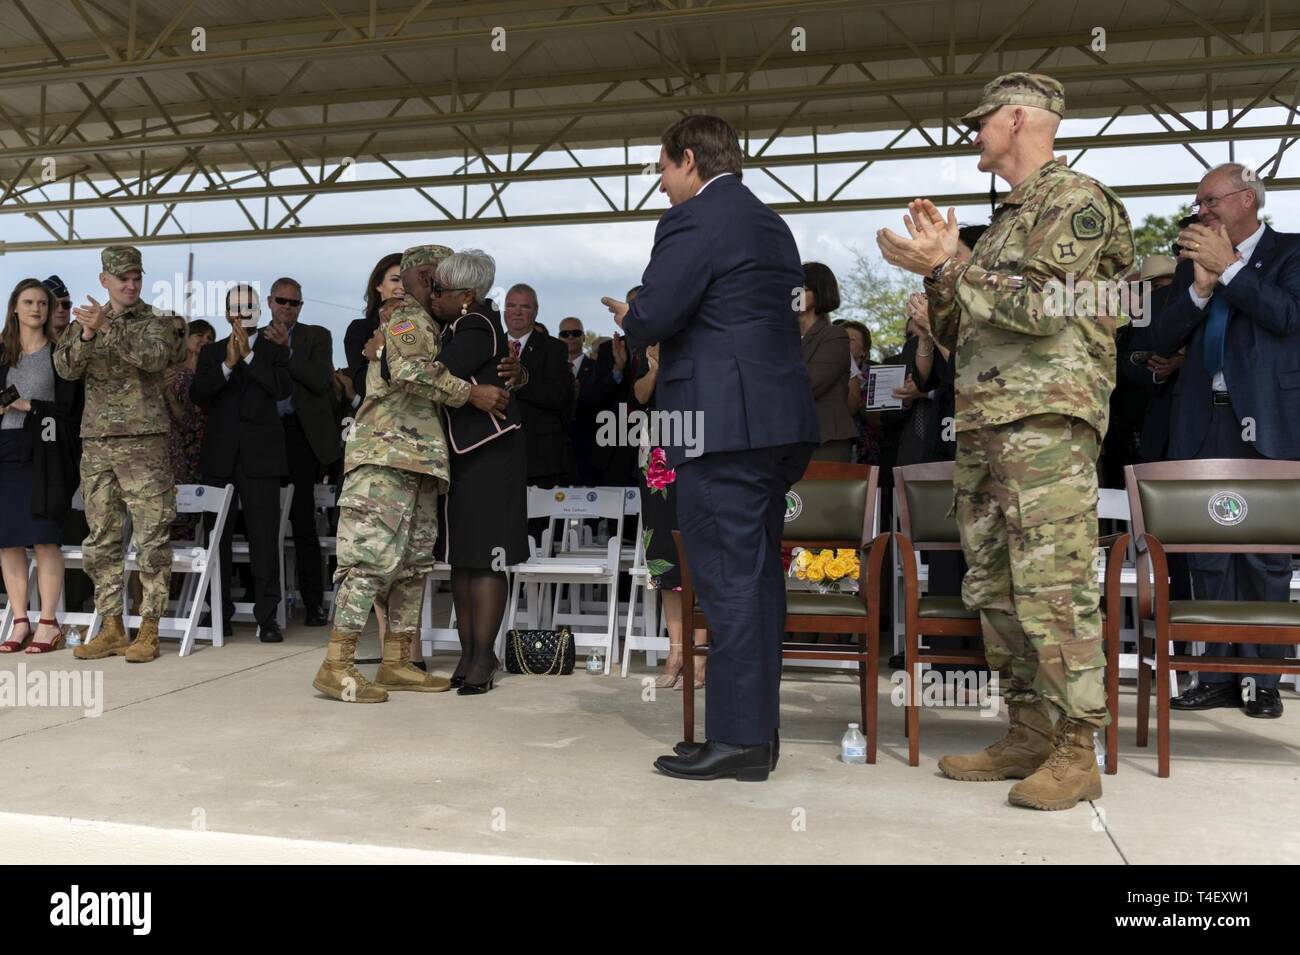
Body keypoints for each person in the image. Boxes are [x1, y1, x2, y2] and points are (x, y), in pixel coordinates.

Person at [878, 72, 1134, 810]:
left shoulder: (1077, 201)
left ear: (1019, 117)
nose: (974, 132)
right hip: (989, 425)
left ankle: (1078, 747)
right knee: (994, 585)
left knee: (1053, 589)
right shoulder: (1005, 221)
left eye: (982, 120)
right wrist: (937, 281)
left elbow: (1044, 306)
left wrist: (951, 264)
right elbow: (963, 330)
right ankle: (1028, 730)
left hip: (1047, 427)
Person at [603, 113, 819, 782]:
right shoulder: (770, 222)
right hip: (776, 424)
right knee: (753, 583)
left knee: (729, 585)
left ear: (689, 160)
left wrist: (633, 320)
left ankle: (741, 740)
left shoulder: (693, 219)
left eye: (663, 170)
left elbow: (654, 314)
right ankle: (751, 731)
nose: (662, 185)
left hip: (720, 428)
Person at [315, 245, 508, 702]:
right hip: (384, 457)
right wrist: (471, 394)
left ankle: (397, 661)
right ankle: (336, 664)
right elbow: (407, 371)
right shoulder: (406, 318)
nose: (440, 287)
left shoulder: (438, 325)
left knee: (412, 565)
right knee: (367, 562)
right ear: (422, 274)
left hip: (420, 460)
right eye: (436, 278)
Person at [1151, 163, 1300, 720]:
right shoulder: (1193, 264)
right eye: (1198, 203)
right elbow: (1162, 335)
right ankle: (1212, 674)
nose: (1202, 211)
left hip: (1267, 421)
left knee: (1263, 557)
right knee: (1206, 553)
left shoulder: (1292, 252)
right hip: (1203, 422)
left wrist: (1232, 270)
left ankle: (1261, 680)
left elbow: (1287, 317)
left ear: (1247, 199)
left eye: (1210, 201)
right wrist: (1199, 286)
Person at [55, 246, 186, 664]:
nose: (131, 285)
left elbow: (153, 358)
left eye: (136, 277)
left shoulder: (157, 322)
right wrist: (89, 334)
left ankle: (149, 628)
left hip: (144, 442)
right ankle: (111, 626)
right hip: (97, 444)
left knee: (151, 539)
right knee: (101, 540)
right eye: (122, 278)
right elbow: (66, 369)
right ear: (104, 280)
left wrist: (107, 326)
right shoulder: (85, 324)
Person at [427, 250, 528, 694]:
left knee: (487, 558)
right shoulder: (460, 324)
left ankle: (484, 657)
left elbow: (440, 371)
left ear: (467, 296)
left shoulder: (477, 324)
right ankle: (468, 655)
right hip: (465, 455)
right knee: (463, 560)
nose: (433, 298)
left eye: (440, 291)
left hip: (490, 455)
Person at [191, 285, 291, 643]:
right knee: (216, 540)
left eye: (249, 306)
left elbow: (281, 390)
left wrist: (249, 358)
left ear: (258, 311)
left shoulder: (275, 350)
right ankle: (219, 614)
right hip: (219, 458)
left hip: (261, 459)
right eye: (236, 307)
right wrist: (228, 365)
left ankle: (268, 619)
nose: (242, 312)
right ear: (226, 312)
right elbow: (198, 394)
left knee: (264, 539)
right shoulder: (212, 353)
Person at [0, 279, 82, 654]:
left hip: (45, 453)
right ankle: (20, 621)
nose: (36, 309)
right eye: (28, 302)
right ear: (14, 307)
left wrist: (28, 406)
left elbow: (69, 411)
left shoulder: (58, 353)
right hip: (5, 449)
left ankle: (48, 623)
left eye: (42, 304)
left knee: (45, 536)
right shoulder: (1, 354)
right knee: (8, 540)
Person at [630, 339, 707, 689]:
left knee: (701, 554)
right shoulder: (649, 351)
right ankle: (675, 653)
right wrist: (657, 368)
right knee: (662, 556)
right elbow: (641, 395)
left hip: (700, 449)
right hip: (657, 458)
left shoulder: (705, 343)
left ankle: (701, 655)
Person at [266, 277, 338, 627]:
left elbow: (320, 379)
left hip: (301, 436)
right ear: (269, 302)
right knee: (260, 523)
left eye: (294, 302)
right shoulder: (253, 337)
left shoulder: (317, 336)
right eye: (282, 301)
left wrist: (287, 352)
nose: (287, 307)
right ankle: (263, 602)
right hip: (263, 435)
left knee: (302, 521)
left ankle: (313, 604)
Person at [504, 284, 573, 516]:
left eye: (525, 306)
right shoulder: (488, 347)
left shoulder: (554, 349)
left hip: (539, 457)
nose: (517, 311)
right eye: (511, 305)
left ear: (535, 311)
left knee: (538, 534)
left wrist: (521, 381)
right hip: (496, 454)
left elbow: (557, 396)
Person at [799, 262, 857, 462]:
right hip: (787, 440)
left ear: (820, 293)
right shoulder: (782, 337)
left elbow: (810, 384)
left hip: (825, 441)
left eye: (801, 288)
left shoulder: (835, 335)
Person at [344, 253, 403, 402]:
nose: (402, 287)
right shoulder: (359, 329)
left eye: (407, 281)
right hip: (379, 418)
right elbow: (361, 386)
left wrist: (380, 352)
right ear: (378, 285)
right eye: (395, 280)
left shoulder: (427, 326)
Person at [166, 319, 215, 486]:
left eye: (210, 338)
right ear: (186, 337)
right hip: (175, 444)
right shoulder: (170, 371)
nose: (205, 341)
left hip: (203, 445)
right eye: (200, 335)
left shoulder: (212, 375)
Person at [42, 276, 73, 340]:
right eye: (54, 304)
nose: (61, 310)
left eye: (66, 304)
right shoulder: (27, 339)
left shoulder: (85, 336)